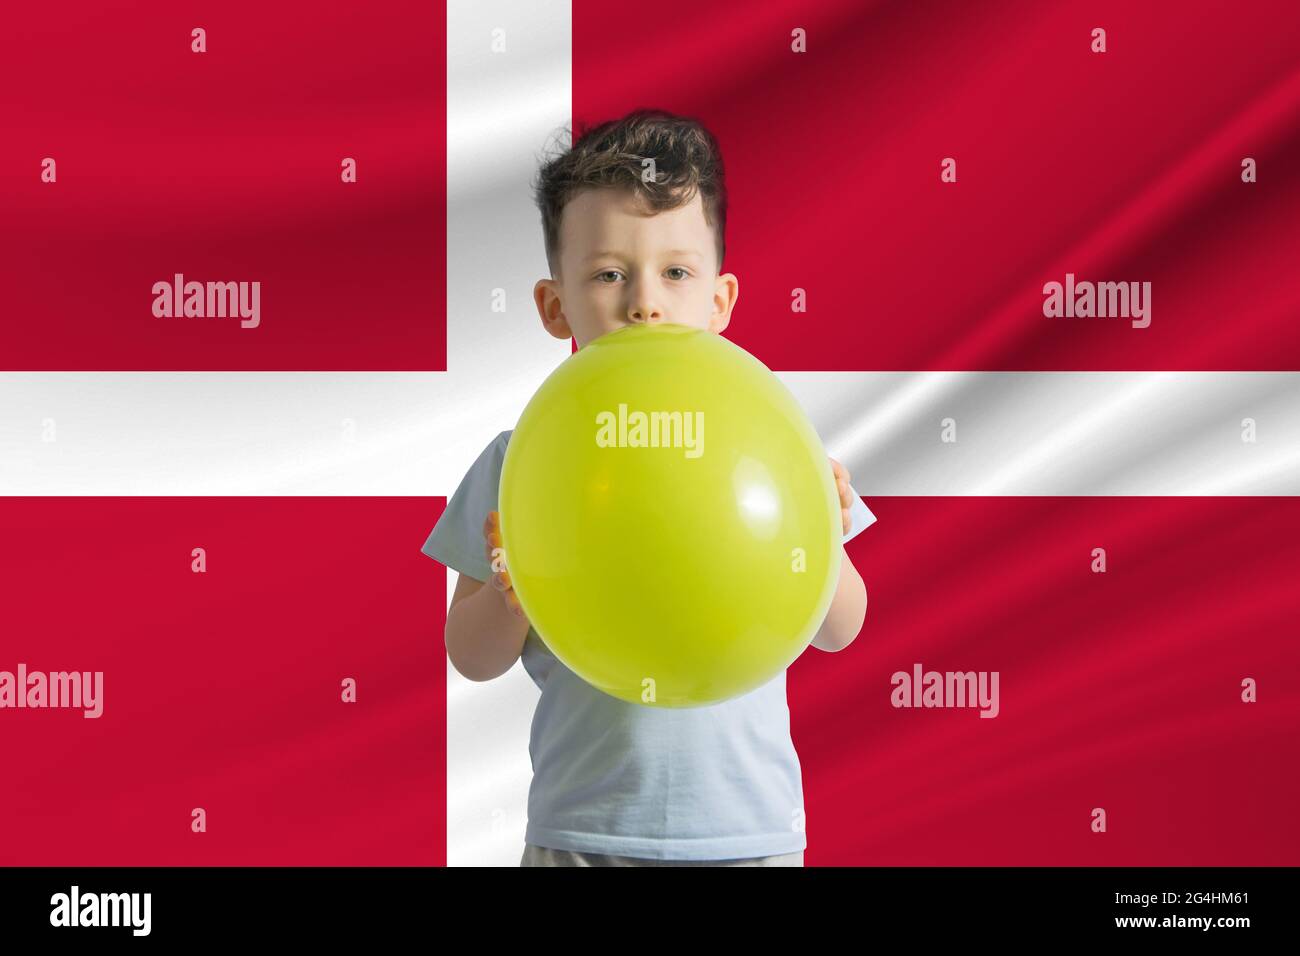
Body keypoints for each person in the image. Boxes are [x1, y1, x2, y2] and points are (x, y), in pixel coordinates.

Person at [421, 109, 876, 866]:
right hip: (583, 835)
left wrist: (820, 537)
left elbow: (840, 628)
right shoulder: (521, 460)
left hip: (748, 836)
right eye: (608, 274)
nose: (644, 303)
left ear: (721, 301)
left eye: (676, 272)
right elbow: (469, 656)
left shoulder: (773, 446)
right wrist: (510, 596)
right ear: (554, 305)